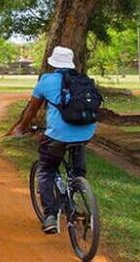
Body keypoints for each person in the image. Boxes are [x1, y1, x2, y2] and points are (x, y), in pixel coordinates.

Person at [16, 46, 97, 234]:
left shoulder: (47, 80)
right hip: (86, 133)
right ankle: (77, 195)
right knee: (77, 172)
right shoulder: (84, 80)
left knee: (45, 170)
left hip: (57, 136)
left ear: (53, 63)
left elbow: (32, 109)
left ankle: (51, 216)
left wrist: (22, 127)